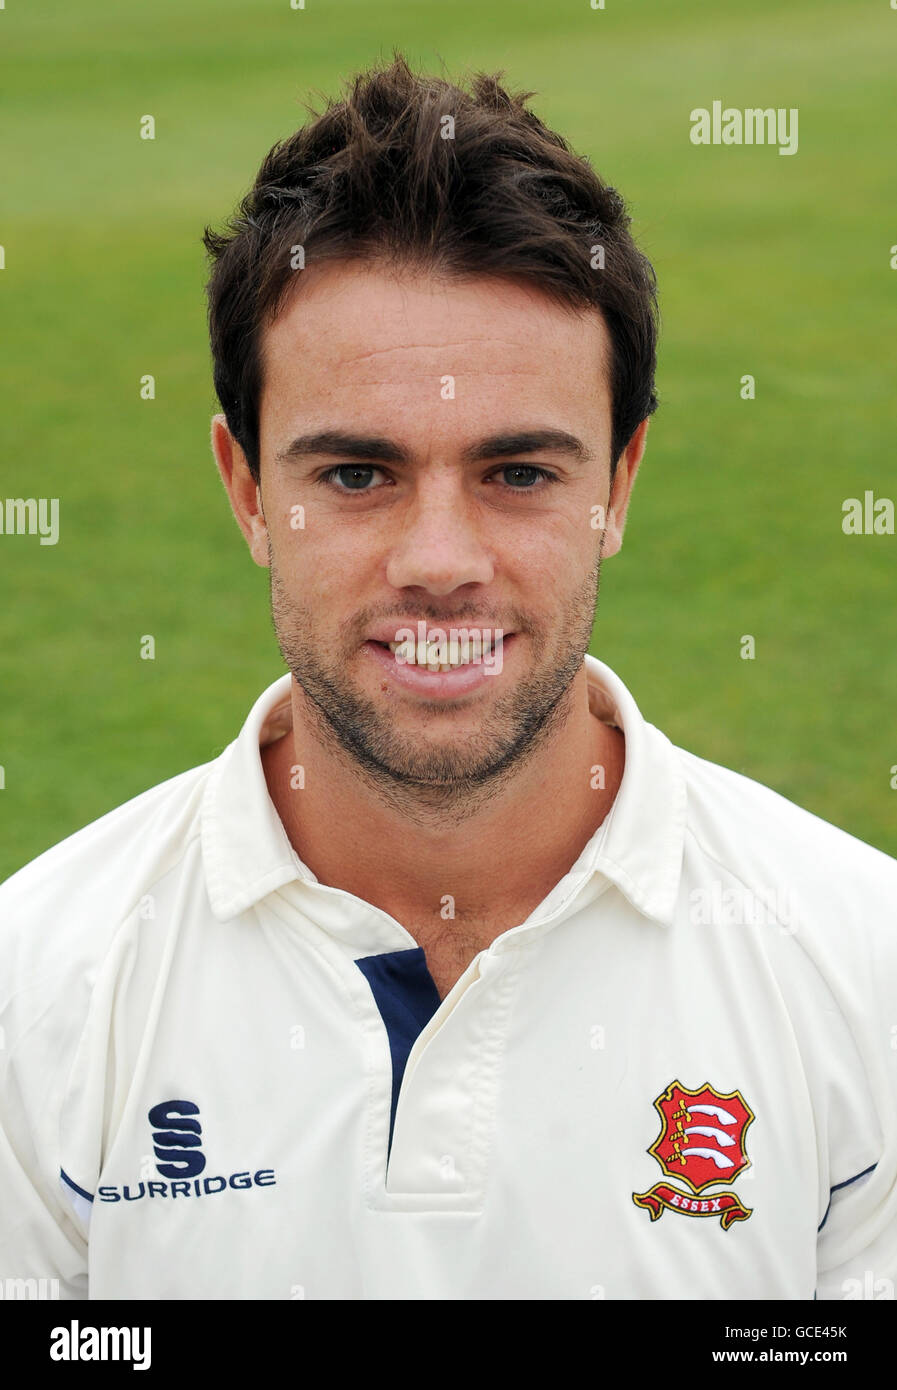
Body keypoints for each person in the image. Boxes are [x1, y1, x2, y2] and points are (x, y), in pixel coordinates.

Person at [1, 52, 894, 1302]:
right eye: (357, 475)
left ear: (617, 487)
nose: (439, 563)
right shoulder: (37, 985)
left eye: (519, 473)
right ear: (249, 489)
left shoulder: (867, 965)